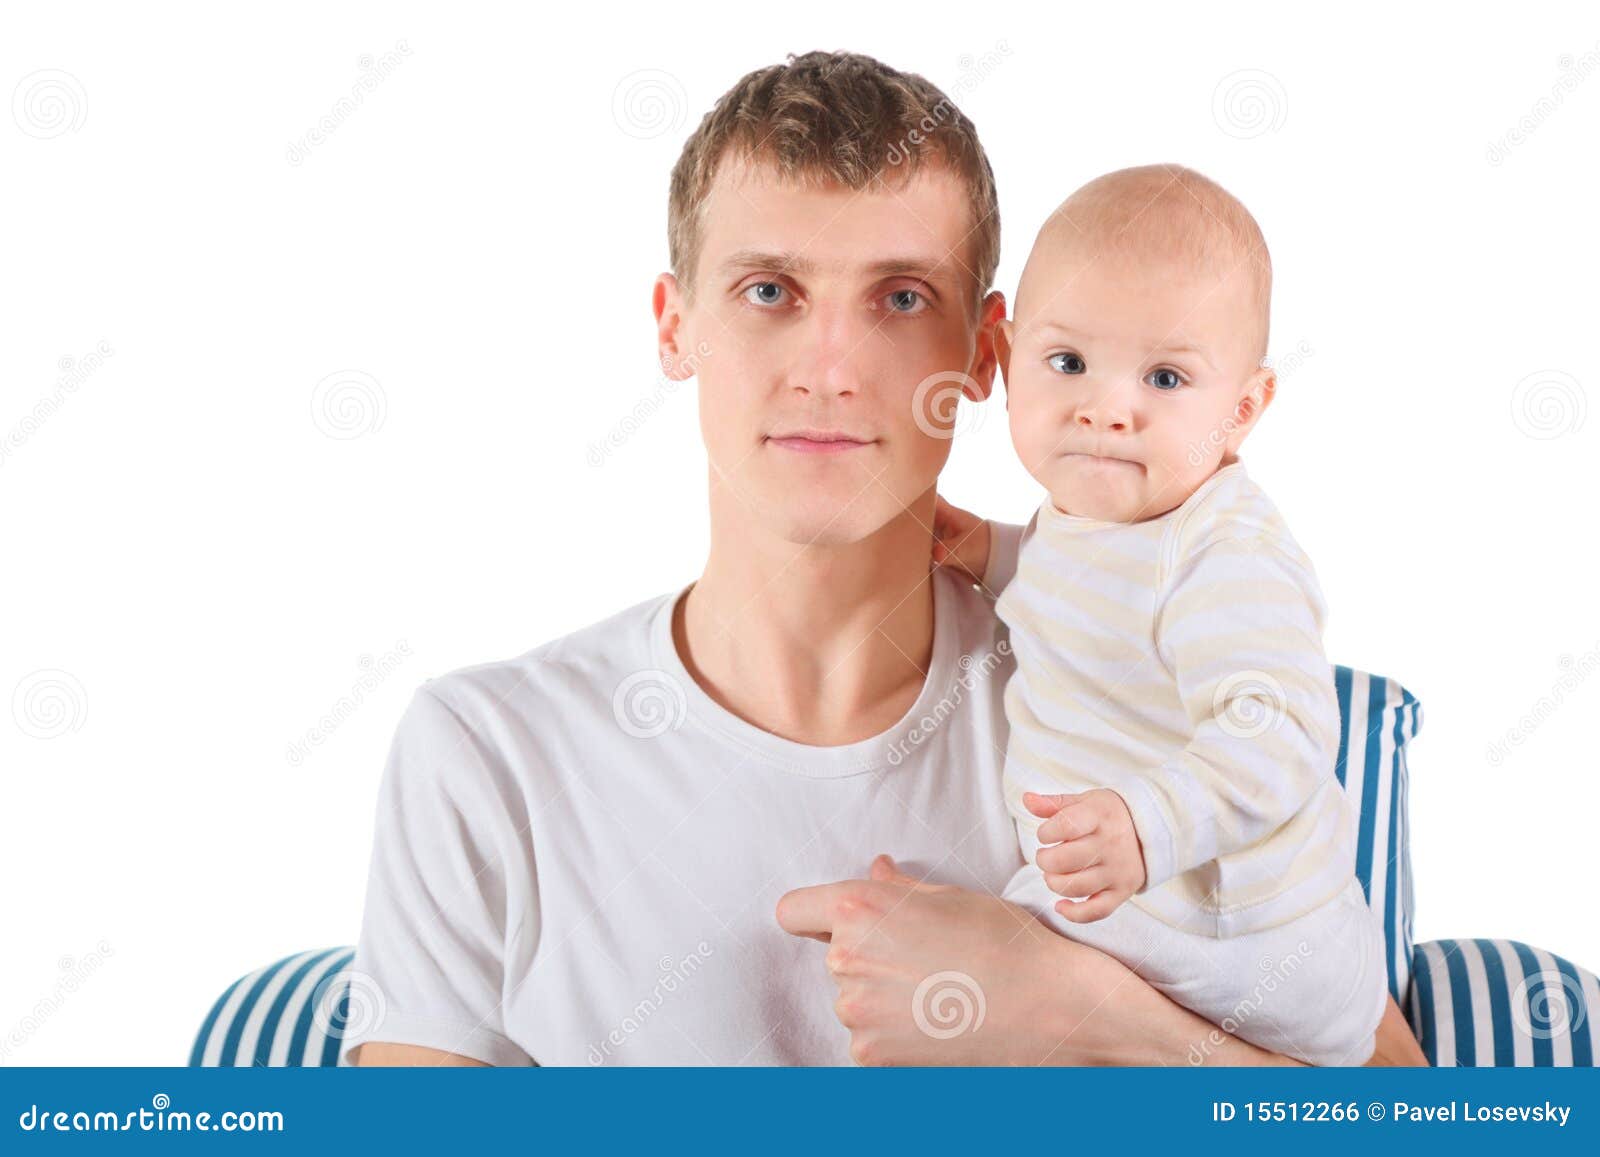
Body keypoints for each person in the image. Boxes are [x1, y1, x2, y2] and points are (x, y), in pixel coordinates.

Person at [347, 50, 1425, 1067]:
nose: (832, 367)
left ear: (980, 351)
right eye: (768, 290)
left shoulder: (1124, 684)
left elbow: (1417, 1121)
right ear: (676, 327)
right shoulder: (485, 756)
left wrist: (1073, 1012)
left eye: (901, 297)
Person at [930, 165, 1387, 1065]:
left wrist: (1148, 825)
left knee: (973, 972)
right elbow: (1094, 597)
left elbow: (1281, 730)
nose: (1107, 409)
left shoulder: (1226, 555)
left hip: (1238, 936)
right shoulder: (1111, 515)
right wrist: (987, 550)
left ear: (1243, 409)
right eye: (1067, 363)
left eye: (1166, 377)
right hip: (1171, 915)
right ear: (1006, 354)